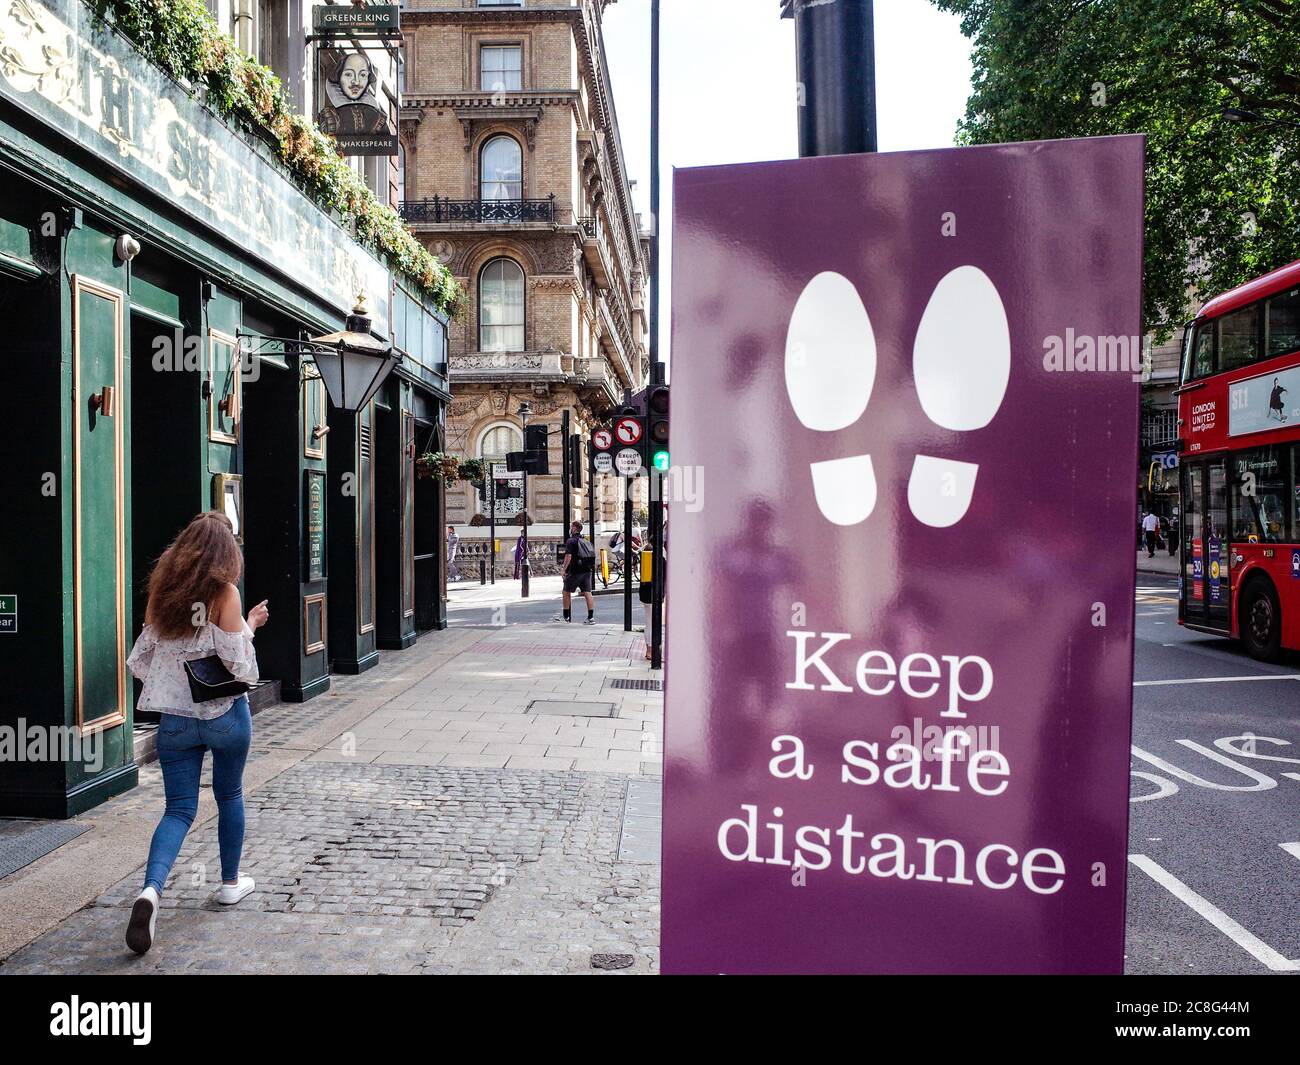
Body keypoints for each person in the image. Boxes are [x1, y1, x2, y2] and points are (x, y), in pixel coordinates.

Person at [123, 512, 267, 955]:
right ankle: (228, 884)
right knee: (229, 796)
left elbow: (142, 659)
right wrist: (251, 626)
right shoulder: (225, 593)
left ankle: (151, 891)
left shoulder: (162, 592)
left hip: (176, 721)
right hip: (224, 714)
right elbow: (241, 666)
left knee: (179, 809)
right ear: (227, 552)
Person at [553, 520, 596, 624]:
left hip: (575, 571)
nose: (570, 528)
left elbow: (568, 556)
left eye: (571, 526)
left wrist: (563, 570)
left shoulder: (571, 541)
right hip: (587, 570)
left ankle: (565, 617)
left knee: (566, 592)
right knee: (587, 593)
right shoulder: (585, 540)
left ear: (574, 528)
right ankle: (591, 618)